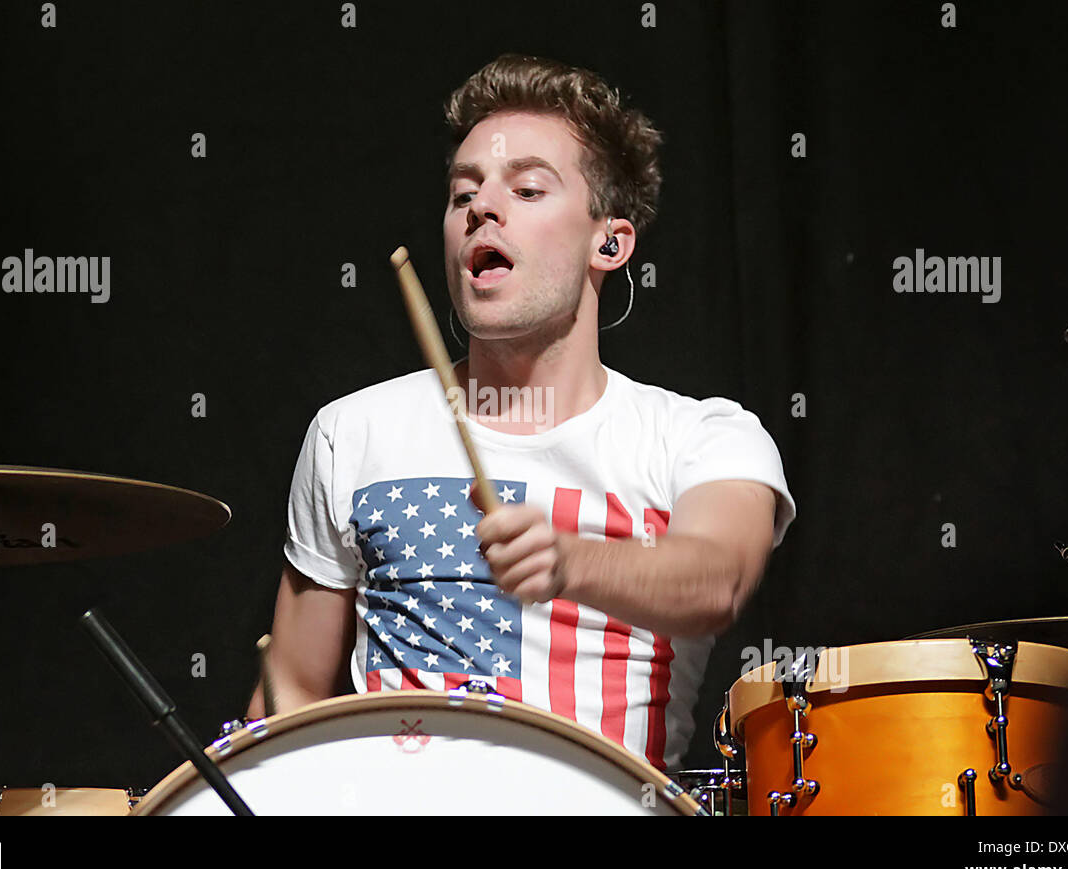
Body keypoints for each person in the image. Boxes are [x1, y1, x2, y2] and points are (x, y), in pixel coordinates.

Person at [247, 54, 795, 769]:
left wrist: (571, 560)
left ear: (610, 241)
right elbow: (290, 691)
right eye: (461, 193)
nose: (481, 207)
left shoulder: (703, 437)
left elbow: (716, 580)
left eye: (528, 187)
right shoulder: (354, 431)